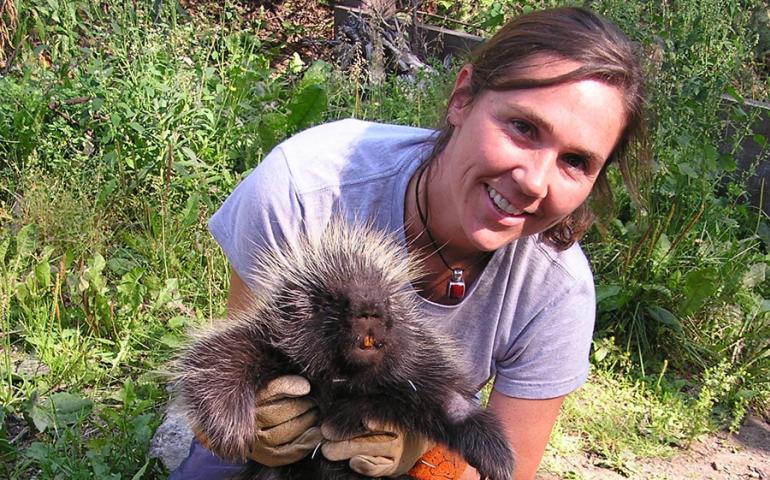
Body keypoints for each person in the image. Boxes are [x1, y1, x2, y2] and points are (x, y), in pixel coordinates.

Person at [169, 6, 649, 480]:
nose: (534, 181)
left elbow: (496, 455)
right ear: (462, 98)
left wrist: (429, 459)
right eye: (523, 127)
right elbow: (226, 369)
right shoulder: (305, 185)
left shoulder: (556, 289)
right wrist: (248, 426)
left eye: (576, 160)